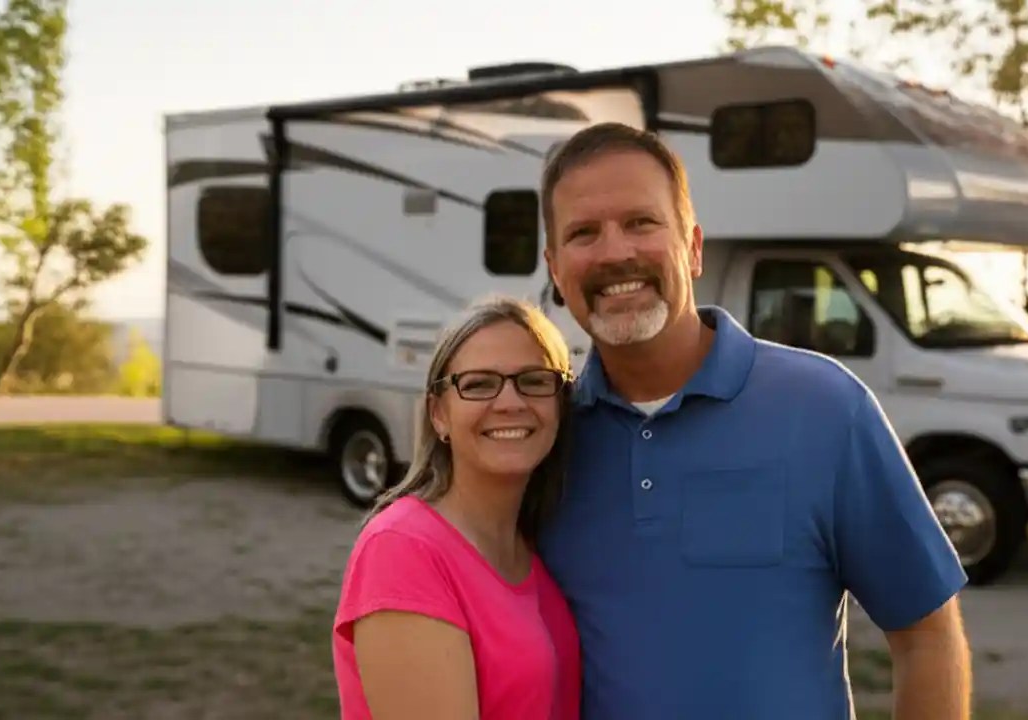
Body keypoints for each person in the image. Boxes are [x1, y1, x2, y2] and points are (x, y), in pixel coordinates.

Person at [536, 122, 973, 719]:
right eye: (584, 233)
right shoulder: (544, 439)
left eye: (641, 223)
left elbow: (926, 636)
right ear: (555, 269)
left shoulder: (824, 408)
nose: (616, 252)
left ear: (692, 248)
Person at [331, 295, 582, 720]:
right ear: (439, 415)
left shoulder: (533, 546)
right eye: (479, 384)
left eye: (534, 380)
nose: (510, 402)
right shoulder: (403, 550)